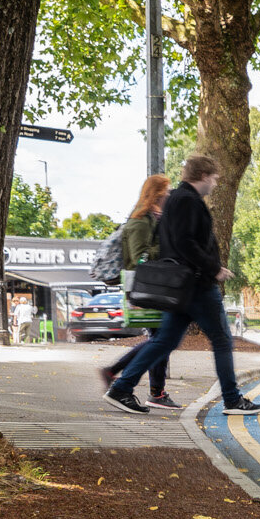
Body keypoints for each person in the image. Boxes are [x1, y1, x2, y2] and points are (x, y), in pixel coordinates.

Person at [103, 154, 260, 416]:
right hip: (197, 285)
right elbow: (185, 243)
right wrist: (214, 268)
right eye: (214, 178)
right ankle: (232, 399)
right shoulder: (189, 201)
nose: (215, 184)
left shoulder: (174, 200)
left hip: (181, 287)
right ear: (203, 176)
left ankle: (122, 387)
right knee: (222, 340)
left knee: (164, 341)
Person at [99, 173, 179, 408]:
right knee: (162, 340)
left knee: (161, 340)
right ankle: (116, 373)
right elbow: (137, 258)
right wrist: (165, 246)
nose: (169, 194)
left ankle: (156, 391)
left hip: (151, 286)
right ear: (156, 193)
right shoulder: (140, 221)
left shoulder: (152, 219)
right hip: (145, 288)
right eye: (167, 190)